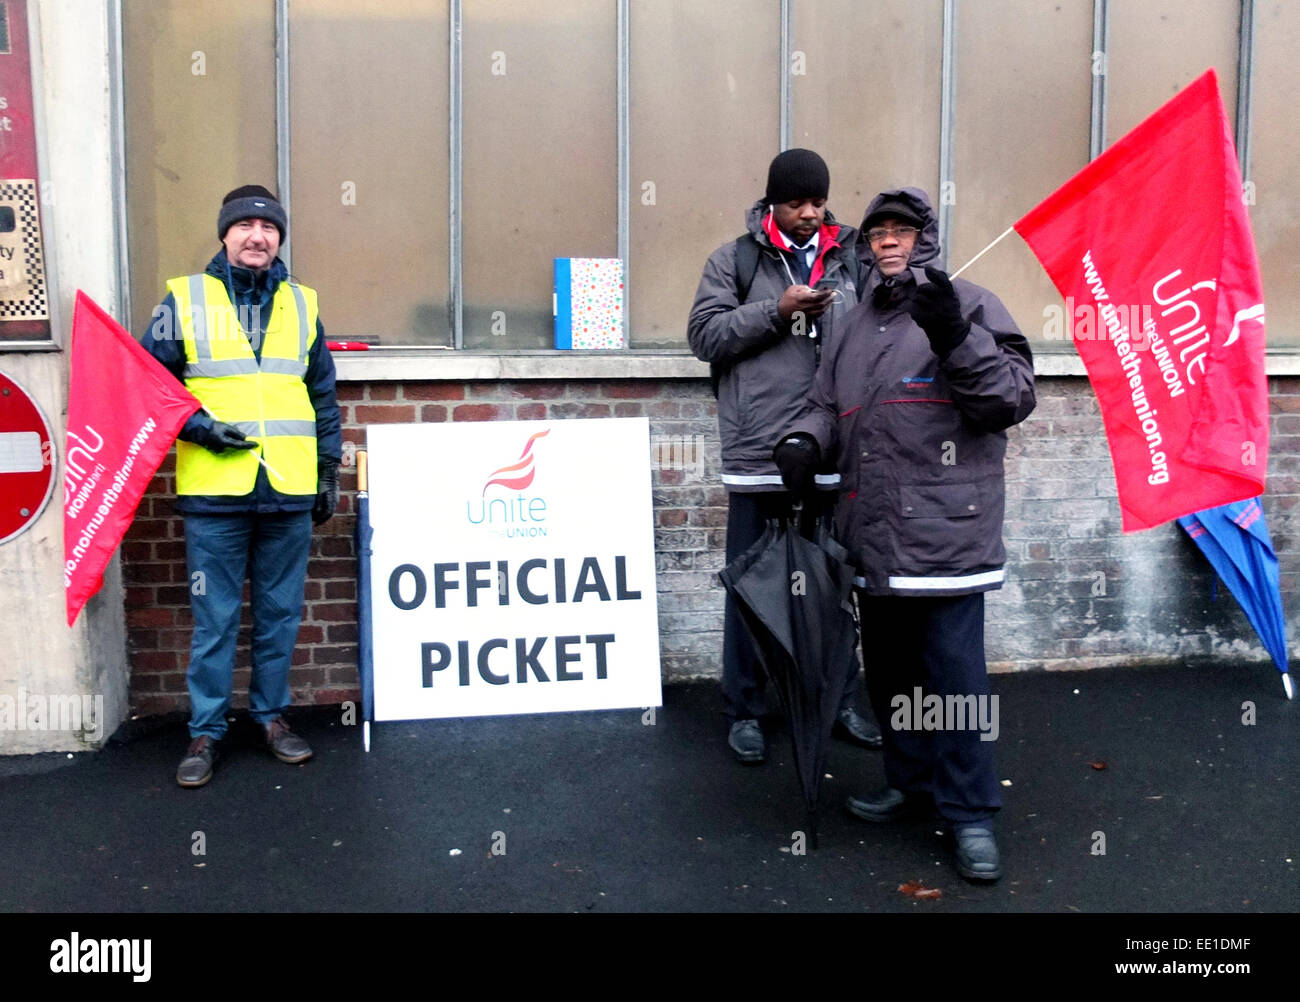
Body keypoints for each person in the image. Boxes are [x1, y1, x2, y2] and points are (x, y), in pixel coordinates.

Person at [774, 187, 1035, 881]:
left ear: (927, 239)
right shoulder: (854, 324)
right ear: (865, 247)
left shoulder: (971, 303)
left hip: (949, 538)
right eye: (878, 232)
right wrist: (803, 440)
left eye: (903, 230)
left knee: (954, 681)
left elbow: (1008, 400)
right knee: (890, 675)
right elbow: (826, 405)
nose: (889, 241)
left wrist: (954, 333)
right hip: (874, 536)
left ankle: (972, 814)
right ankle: (913, 780)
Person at [142, 185, 342, 788]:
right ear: (225, 234)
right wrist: (201, 429)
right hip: (216, 495)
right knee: (215, 620)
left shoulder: (302, 303)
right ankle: (206, 731)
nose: (258, 235)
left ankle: (272, 719)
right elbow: (151, 383)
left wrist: (327, 470)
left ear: (280, 237)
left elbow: (322, 394)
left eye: (269, 226)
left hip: (286, 490)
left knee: (280, 614)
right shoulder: (184, 299)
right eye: (246, 225)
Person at [688, 148, 881, 763]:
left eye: (817, 202)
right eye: (796, 202)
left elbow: (889, 322)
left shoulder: (854, 254)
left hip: (831, 448)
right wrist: (778, 310)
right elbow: (704, 336)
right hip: (759, 452)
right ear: (773, 201)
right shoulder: (736, 259)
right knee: (751, 583)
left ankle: (841, 699)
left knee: (833, 582)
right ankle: (744, 709)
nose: (808, 213)